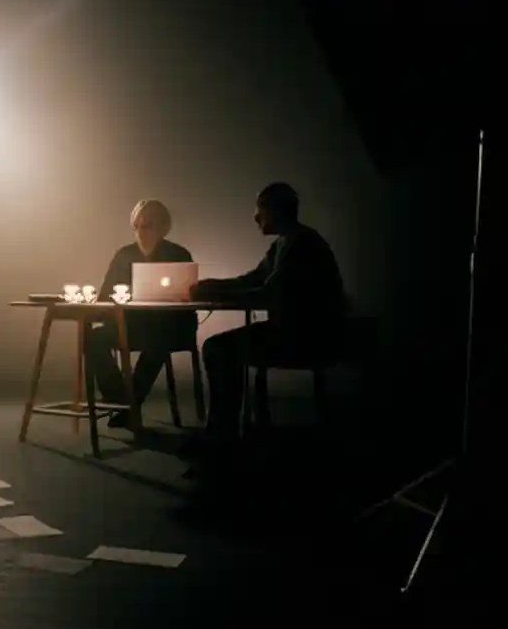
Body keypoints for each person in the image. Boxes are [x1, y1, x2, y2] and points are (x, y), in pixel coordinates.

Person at [191, 182, 345, 449]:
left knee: (218, 348)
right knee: (221, 347)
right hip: (293, 331)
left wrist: (214, 293)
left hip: (306, 338)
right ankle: (224, 432)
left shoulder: (301, 245)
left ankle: (222, 435)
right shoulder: (287, 242)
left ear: (276, 209)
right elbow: (253, 279)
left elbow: (268, 292)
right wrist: (211, 285)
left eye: (260, 207)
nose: (255, 215)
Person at [86, 199, 198, 429]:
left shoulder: (178, 253)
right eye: (137, 226)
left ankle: (129, 404)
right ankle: (121, 400)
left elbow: (188, 299)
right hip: (131, 325)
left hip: (170, 328)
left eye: (148, 226)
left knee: (158, 340)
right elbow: (106, 295)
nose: (141, 232)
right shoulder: (123, 255)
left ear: (163, 228)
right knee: (93, 337)